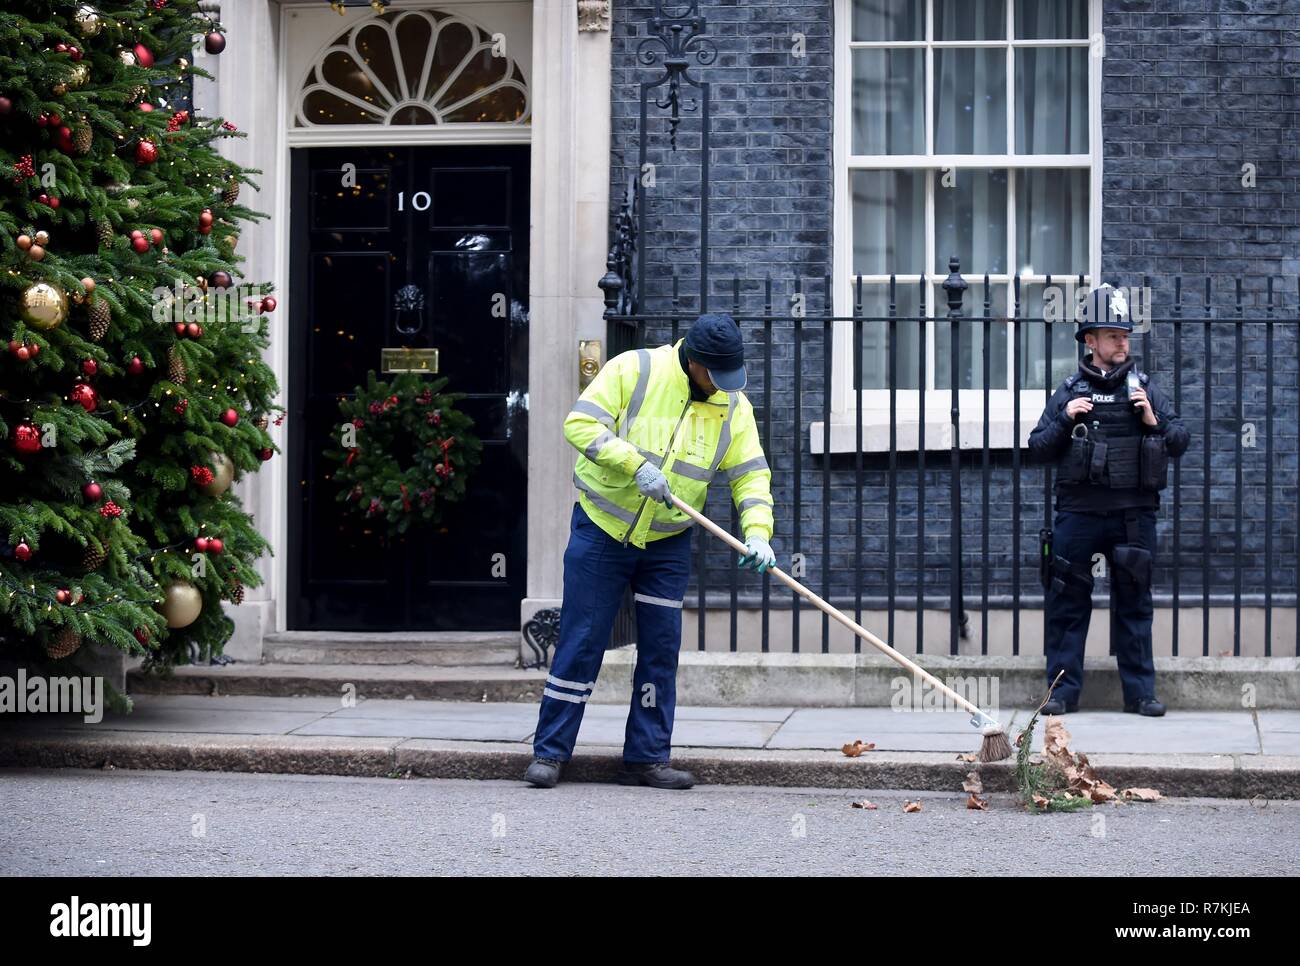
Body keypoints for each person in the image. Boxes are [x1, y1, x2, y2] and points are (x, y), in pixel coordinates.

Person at [525, 313, 776, 789]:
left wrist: (758, 531)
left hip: (667, 542)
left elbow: (750, 474)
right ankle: (551, 753)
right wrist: (634, 464)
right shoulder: (634, 369)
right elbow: (580, 425)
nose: (723, 387)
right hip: (602, 531)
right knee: (582, 640)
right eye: (715, 377)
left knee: (660, 650)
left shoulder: (733, 405)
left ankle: (646, 758)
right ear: (695, 360)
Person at [1027, 284, 1189, 716]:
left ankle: (1140, 694)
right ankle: (1061, 694)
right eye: (1113, 335)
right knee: (1067, 605)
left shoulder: (1145, 389)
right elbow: (1037, 447)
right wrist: (1065, 419)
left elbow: (1180, 441)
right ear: (1091, 341)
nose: (1123, 342)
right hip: (1078, 514)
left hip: (1132, 516)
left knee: (1135, 606)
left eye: (1125, 335)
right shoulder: (1069, 390)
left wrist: (1152, 421)